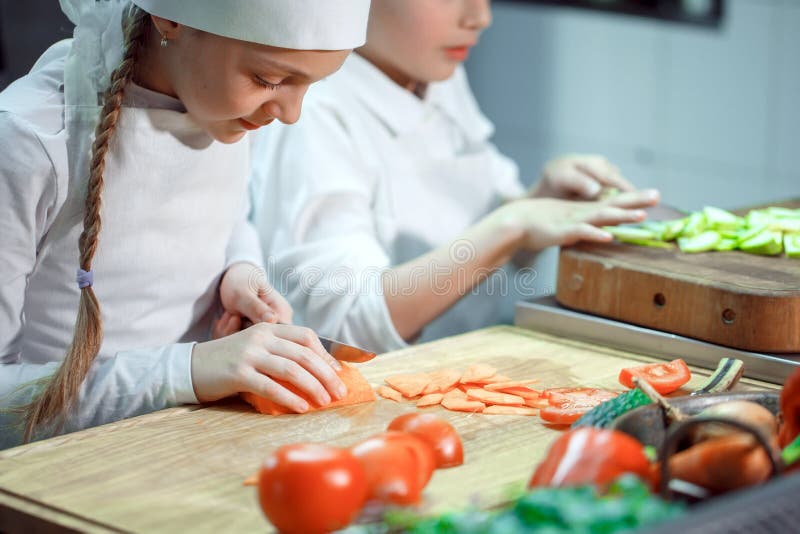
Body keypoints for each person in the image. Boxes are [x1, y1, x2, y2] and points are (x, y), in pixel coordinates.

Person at [0, 0, 371, 448]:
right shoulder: (28, 142)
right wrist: (191, 370)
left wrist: (239, 268)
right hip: (61, 463)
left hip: (190, 442)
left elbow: (231, 214)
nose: (291, 114)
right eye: (269, 79)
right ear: (171, 18)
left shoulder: (228, 107)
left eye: (311, 84)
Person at [249, 0, 660, 354]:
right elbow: (347, 327)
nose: (480, 17)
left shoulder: (436, 75)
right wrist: (513, 225)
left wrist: (542, 197)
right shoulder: (315, 110)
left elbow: (492, 240)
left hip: (462, 362)